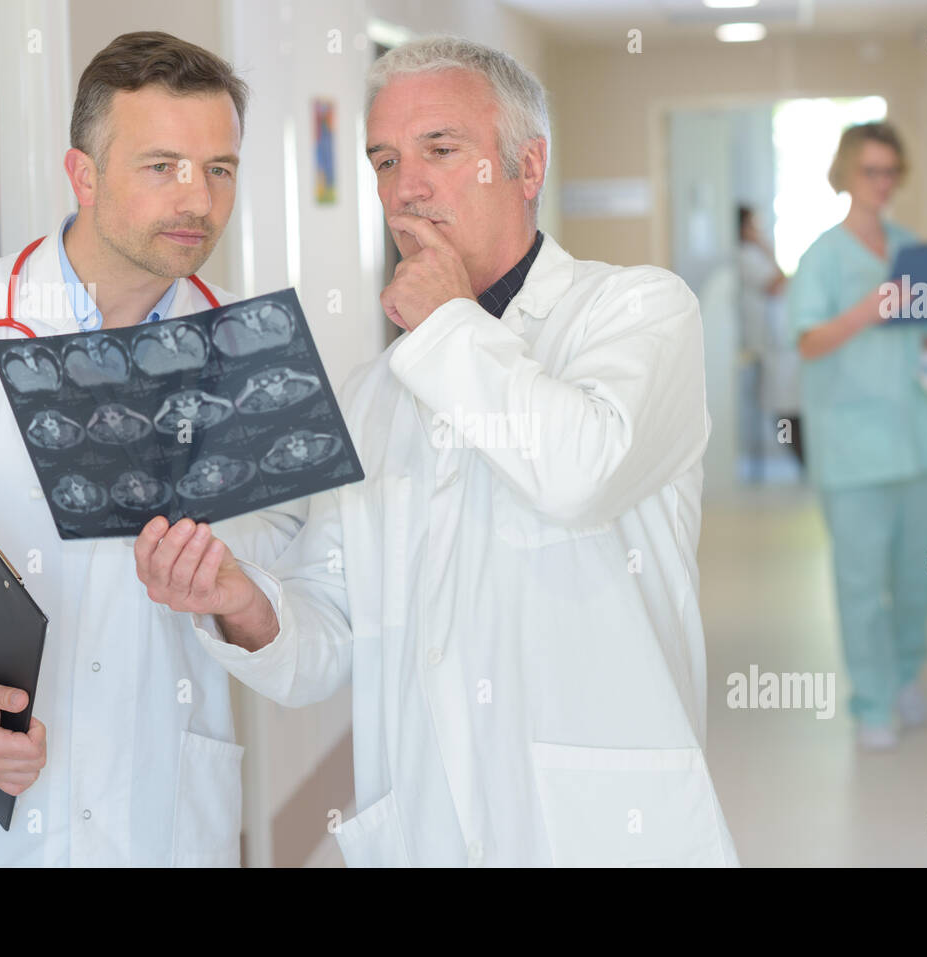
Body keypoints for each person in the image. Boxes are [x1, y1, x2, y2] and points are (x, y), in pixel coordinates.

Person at [136, 36, 739, 867]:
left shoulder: (639, 312)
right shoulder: (375, 392)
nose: (405, 186)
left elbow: (579, 471)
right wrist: (243, 599)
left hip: (601, 831)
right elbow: (331, 633)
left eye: (441, 151)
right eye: (384, 160)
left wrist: (449, 322)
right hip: (428, 829)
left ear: (528, 167)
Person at [0, 31, 301, 866]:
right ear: (82, 175)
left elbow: (298, 592)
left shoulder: (254, 359)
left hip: (161, 818)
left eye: (219, 169)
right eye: (162, 166)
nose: (196, 198)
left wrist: (239, 595)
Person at [785, 122, 927, 751]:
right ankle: (871, 701)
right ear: (846, 174)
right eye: (871, 171)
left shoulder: (913, 248)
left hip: (915, 443)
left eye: (891, 172)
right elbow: (809, 341)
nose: (882, 183)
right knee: (861, 585)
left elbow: (926, 334)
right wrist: (870, 308)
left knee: (919, 577)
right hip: (852, 448)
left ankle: (907, 674)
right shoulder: (823, 257)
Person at [735, 205, 797, 477]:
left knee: (784, 405)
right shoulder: (747, 255)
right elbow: (777, 283)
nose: (757, 231)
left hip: (775, 344)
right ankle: (796, 456)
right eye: (753, 225)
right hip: (767, 345)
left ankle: (797, 458)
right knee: (781, 407)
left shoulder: (751, 255)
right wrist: (767, 249)